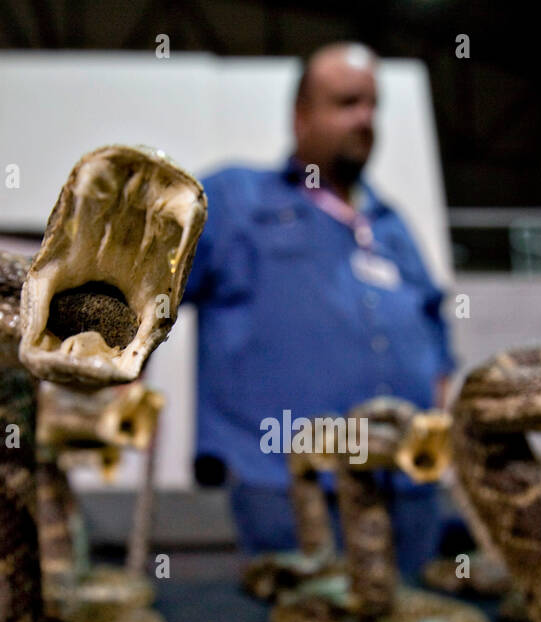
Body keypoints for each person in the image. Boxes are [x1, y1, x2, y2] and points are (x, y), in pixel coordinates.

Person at [184, 41, 456, 574]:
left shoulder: (390, 222)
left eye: (373, 105)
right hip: (284, 483)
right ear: (301, 116)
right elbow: (147, 293)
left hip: (406, 487)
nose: (365, 118)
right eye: (347, 102)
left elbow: (434, 326)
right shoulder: (237, 200)